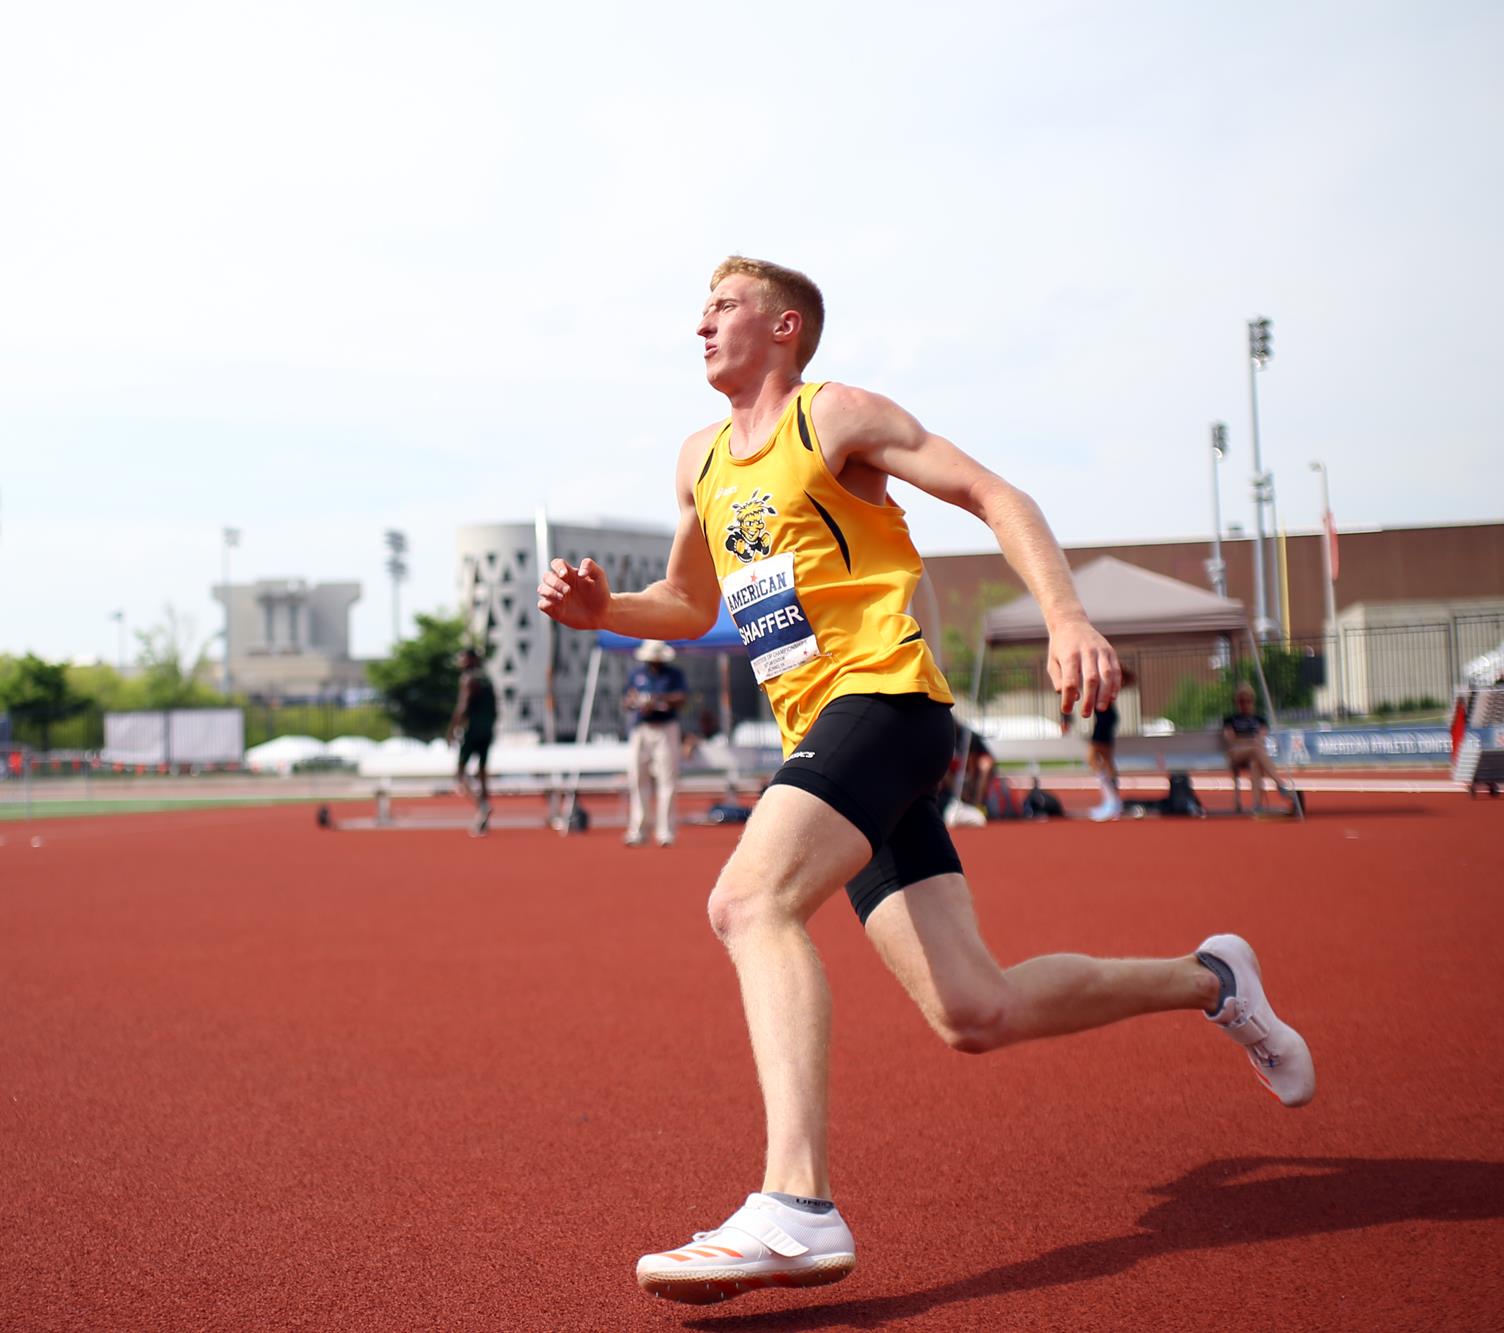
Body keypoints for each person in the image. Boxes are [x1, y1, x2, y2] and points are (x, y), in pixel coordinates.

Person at [537, 256, 1316, 1305]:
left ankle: (796, 1204)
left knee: (746, 900)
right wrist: (603, 616)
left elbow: (995, 493)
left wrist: (1068, 616)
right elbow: (684, 602)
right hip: (823, 729)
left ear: (784, 326)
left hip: (886, 703)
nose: (699, 325)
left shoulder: (838, 417)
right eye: (698, 309)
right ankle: (1212, 980)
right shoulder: (698, 462)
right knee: (974, 1010)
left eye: (720, 307)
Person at [623, 640, 688, 846]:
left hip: (665, 728)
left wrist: (658, 699)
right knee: (637, 779)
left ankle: (665, 831)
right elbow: (627, 698)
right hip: (642, 728)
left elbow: (682, 697)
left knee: (666, 780)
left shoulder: (673, 675)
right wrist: (637, 702)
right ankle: (638, 829)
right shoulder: (637, 674)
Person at [1064, 664, 1133, 821]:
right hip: (1104, 718)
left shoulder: (1102, 675)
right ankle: (1112, 802)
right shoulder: (1097, 676)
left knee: (1094, 758)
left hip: (1105, 718)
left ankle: (1112, 801)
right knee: (1106, 761)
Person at [1221, 683, 1294, 813]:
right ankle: (1280, 783)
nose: (1244, 704)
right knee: (1255, 749)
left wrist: (1246, 740)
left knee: (1255, 761)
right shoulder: (1230, 719)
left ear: (1252, 701)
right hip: (1236, 754)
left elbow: (1261, 737)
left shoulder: (1260, 719)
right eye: (1241, 701)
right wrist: (1249, 741)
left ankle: (1257, 805)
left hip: (1253, 753)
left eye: (1247, 701)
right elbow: (1231, 740)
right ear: (1236, 702)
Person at [447, 647, 496, 836]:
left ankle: (482, 806)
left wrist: (451, 729)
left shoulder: (468, 679)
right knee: (482, 772)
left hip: (472, 730)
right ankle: (483, 819)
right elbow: (495, 706)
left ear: (471, 660)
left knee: (460, 774)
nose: (460, 662)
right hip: (487, 730)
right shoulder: (487, 678)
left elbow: (463, 705)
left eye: (463, 659)